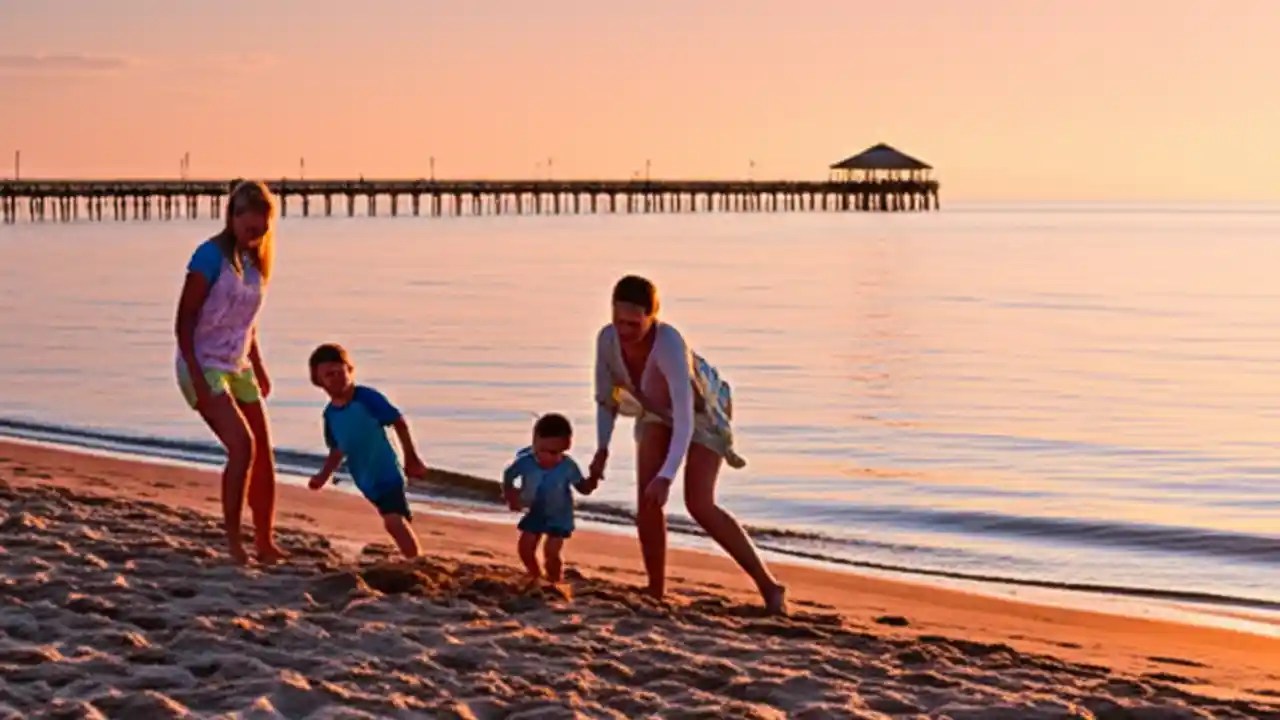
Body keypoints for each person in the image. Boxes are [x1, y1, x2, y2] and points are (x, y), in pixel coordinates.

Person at [590, 275, 787, 614]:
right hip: (655, 411)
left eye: (634, 324)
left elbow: (684, 418)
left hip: (703, 411)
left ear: (652, 317)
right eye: (618, 321)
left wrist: (668, 475)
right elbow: (605, 399)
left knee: (699, 503)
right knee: (647, 500)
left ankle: (770, 586)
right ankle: (656, 590)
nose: (624, 330)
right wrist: (602, 451)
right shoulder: (607, 341)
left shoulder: (668, 344)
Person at [173, 179, 285, 565]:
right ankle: (235, 542)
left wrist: (259, 366)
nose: (256, 237)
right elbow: (184, 320)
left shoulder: (255, 263)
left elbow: (246, 323)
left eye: (263, 231)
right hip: (202, 363)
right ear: (233, 219)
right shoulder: (209, 257)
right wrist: (199, 378)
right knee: (242, 447)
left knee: (265, 456)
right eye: (250, 229)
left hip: (238, 364)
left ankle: (265, 542)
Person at [306, 343, 428, 559]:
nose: (335, 378)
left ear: (349, 370)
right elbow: (337, 450)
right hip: (365, 478)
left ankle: (415, 560)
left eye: (339, 372)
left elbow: (398, 422)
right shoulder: (330, 416)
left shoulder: (366, 398)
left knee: (393, 521)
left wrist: (411, 457)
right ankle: (409, 552)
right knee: (394, 518)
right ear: (318, 381)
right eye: (328, 375)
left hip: (387, 471)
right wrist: (323, 475)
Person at [502, 414, 597, 594]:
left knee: (552, 552)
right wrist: (511, 497)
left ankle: (554, 581)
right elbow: (509, 476)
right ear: (535, 443)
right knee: (525, 548)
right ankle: (535, 575)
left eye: (560, 452)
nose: (554, 458)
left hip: (560, 514)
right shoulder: (525, 462)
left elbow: (583, 488)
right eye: (548, 452)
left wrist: (593, 478)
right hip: (536, 511)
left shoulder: (567, 466)